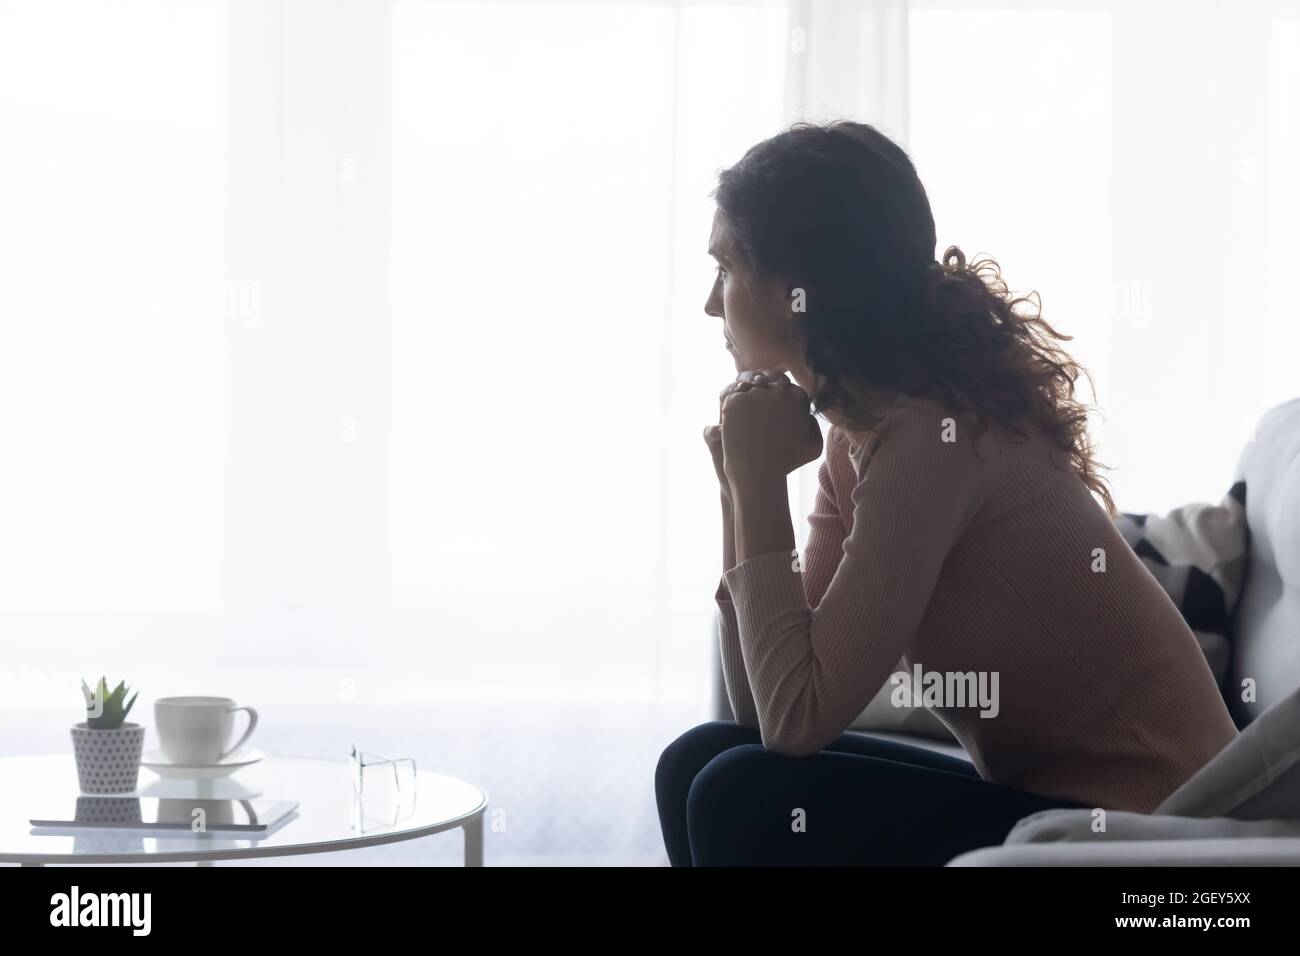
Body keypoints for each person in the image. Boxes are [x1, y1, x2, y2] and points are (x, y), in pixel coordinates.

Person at [655, 120, 1239, 866]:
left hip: (1153, 834)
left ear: (800, 286)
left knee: (734, 787)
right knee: (703, 758)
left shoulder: (930, 437)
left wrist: (759, 480)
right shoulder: (861, 432)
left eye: (726, 268)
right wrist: (740, 493)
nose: (712, 304)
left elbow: (795, 722)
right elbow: (765, 706)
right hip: (1052, 804)